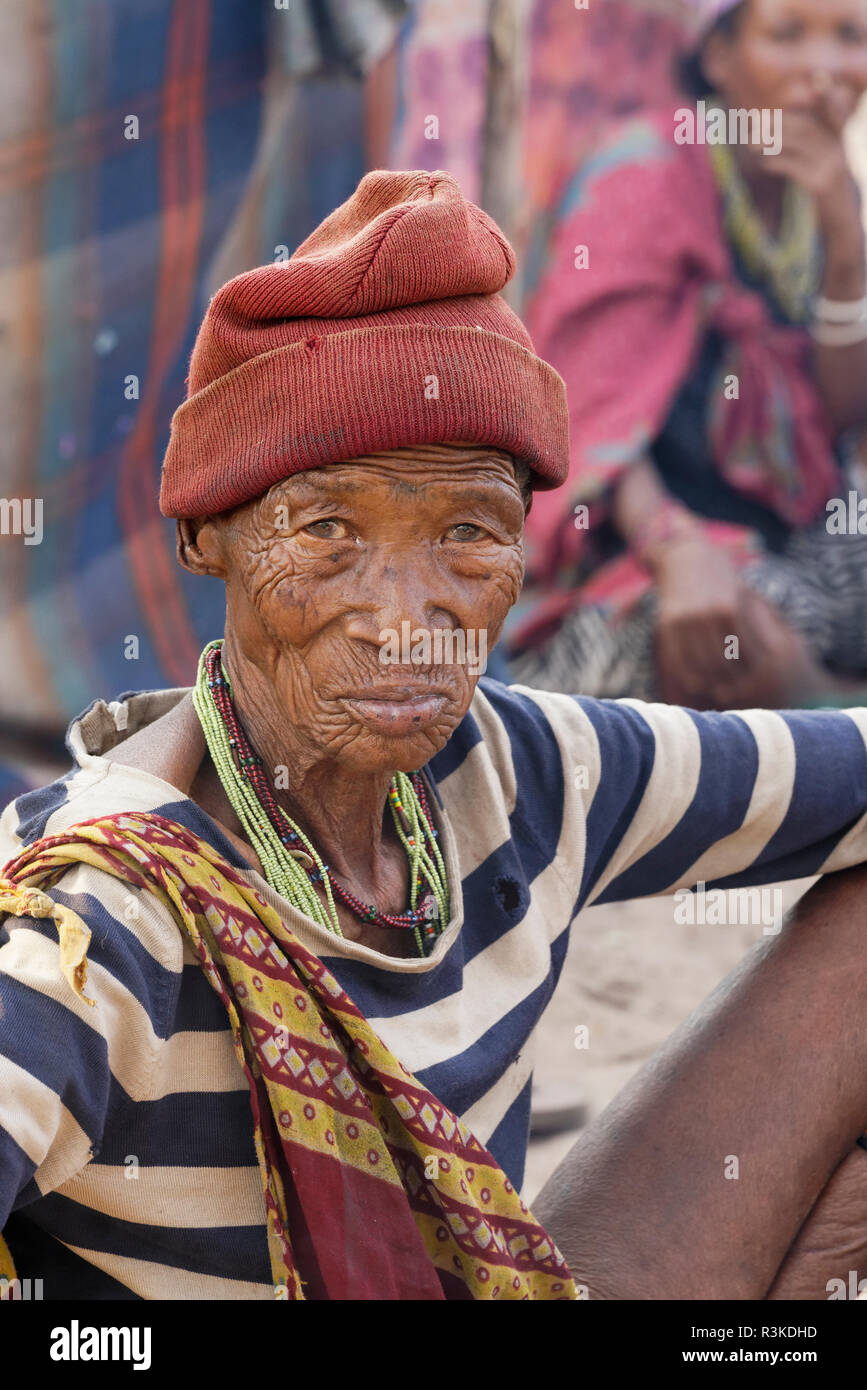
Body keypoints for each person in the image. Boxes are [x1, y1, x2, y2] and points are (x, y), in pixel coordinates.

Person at [0, 168, 866, 1302]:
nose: (409, 621)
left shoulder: (521, 769)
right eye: (329, 532)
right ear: (205, 539)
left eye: (469, 533)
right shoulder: (91, 920)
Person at [507, 0, 867, 710]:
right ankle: (833, 719)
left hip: (782, 539)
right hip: (630, 557)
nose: (822, 70)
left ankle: (827, 720)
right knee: (733, 643)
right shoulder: (646, 176)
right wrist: (677, 550)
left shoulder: (822, 197)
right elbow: (582, 407)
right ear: (719, 57)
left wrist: (845, 237)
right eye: (787, 35)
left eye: (849, 37)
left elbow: (836, 418)